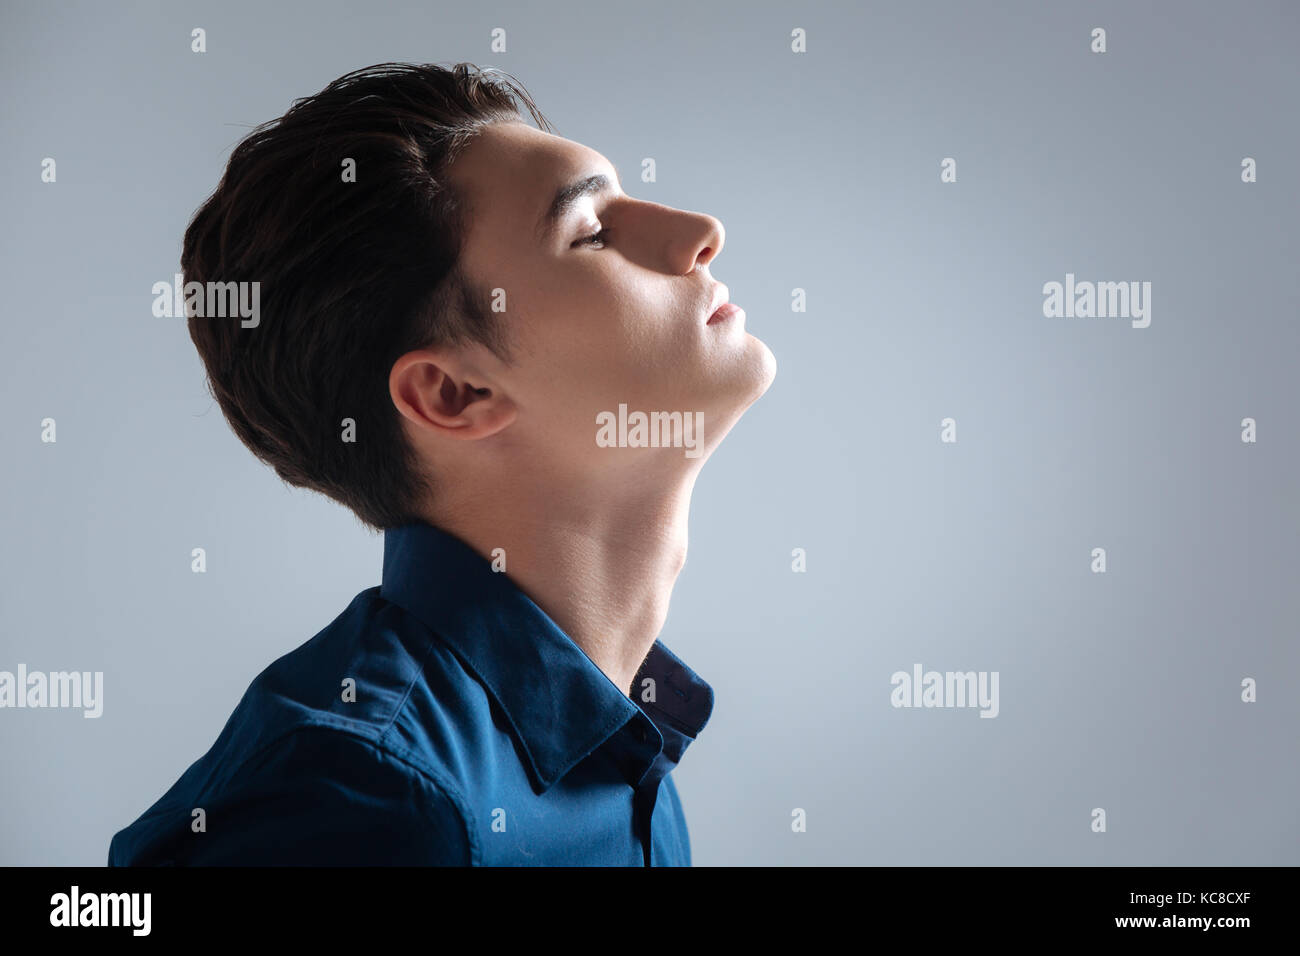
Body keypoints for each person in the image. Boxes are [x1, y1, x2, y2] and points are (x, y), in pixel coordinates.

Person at [108, 61, 776, 866]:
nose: (697, 231)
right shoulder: (358, 795)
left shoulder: (626, 746)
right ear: (454, 393)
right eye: (591, 231)